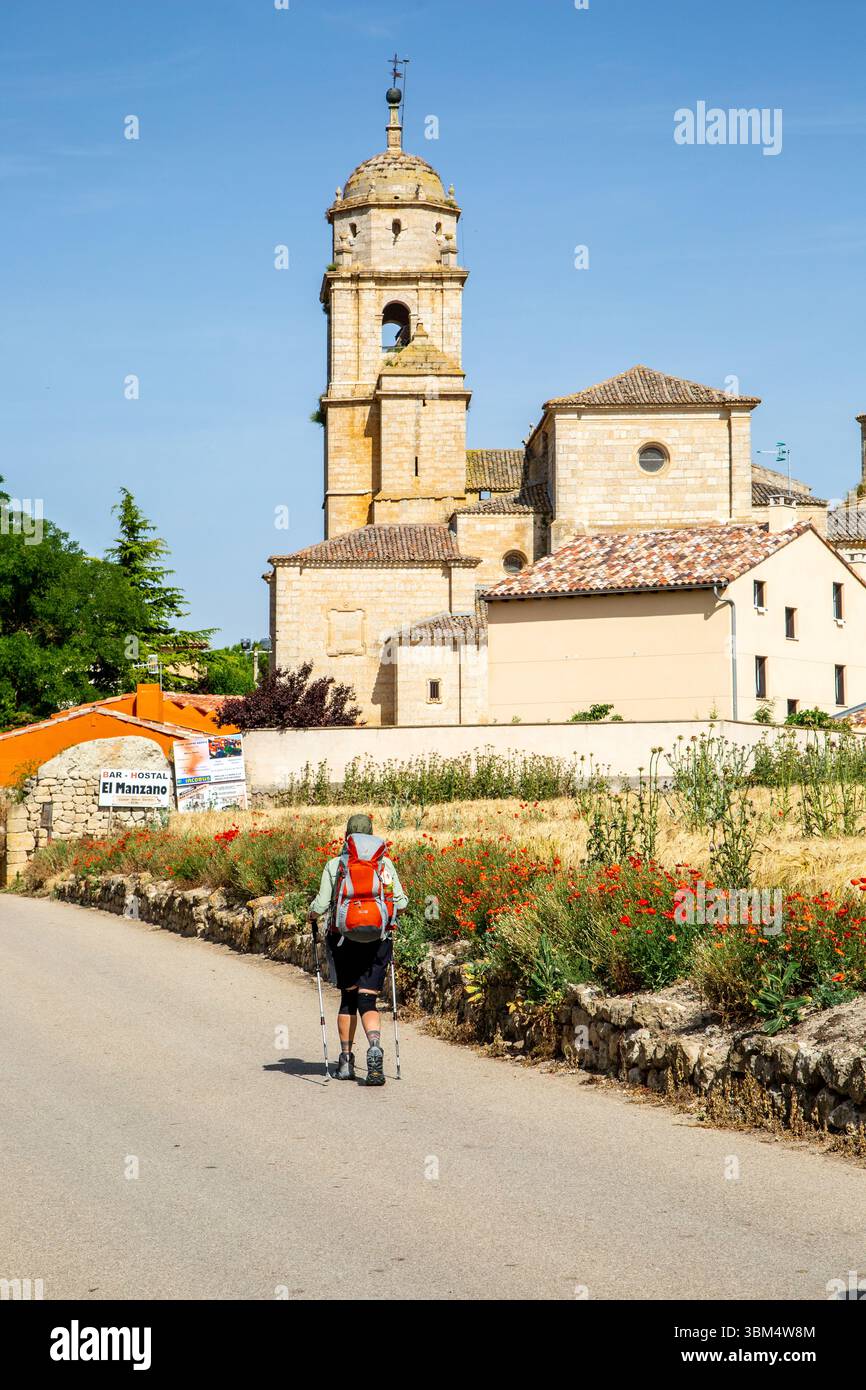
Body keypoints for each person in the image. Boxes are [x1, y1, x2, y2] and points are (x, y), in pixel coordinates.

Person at [308, 813, 408, 1085]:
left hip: (344, 941)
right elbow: (401, 902)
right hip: (378, 939)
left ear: (346, 836)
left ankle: (346, 1062)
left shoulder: (335, 865)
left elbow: (321, 904)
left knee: (349, 999)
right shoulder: (384, 864)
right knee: (368, 999)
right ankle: (374, 1047)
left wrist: (310, 916)